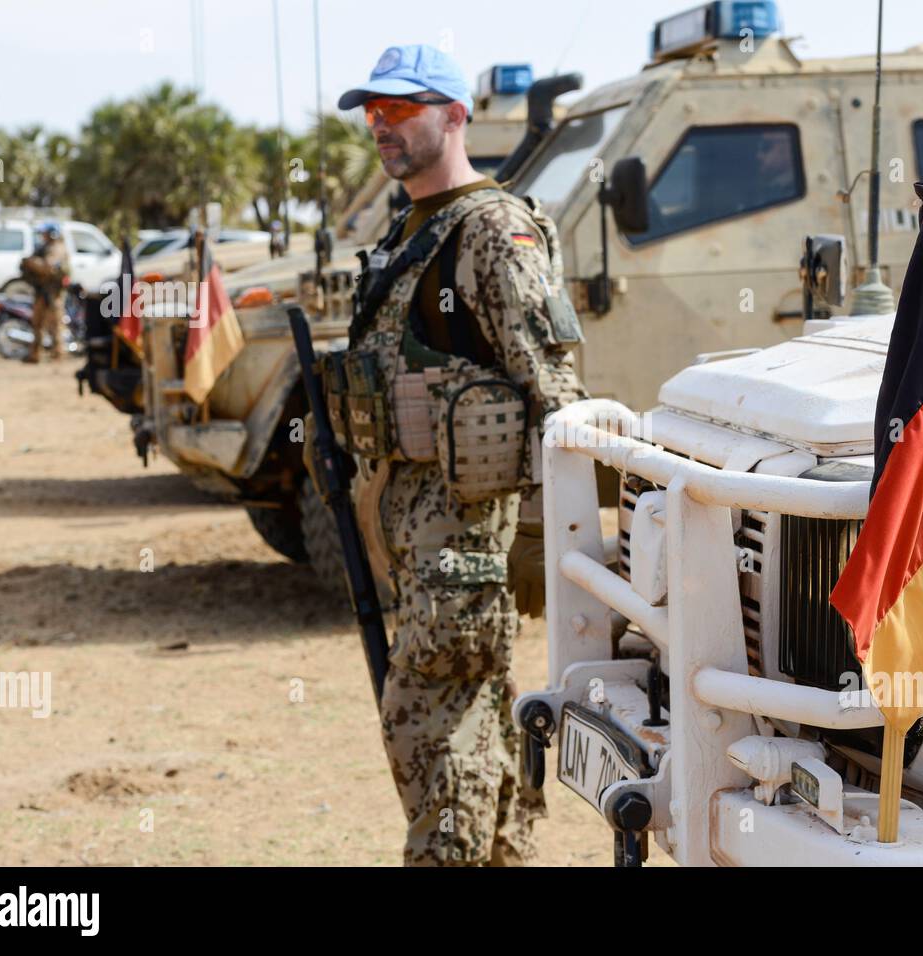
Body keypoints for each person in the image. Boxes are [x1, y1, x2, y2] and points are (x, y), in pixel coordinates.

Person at [334, 44, 586, 866]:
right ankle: (503, 851)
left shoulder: (491, 231)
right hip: (405, 528)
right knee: (468, 715)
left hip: (462, 543)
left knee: (428, 729)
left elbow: (553, 386)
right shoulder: (409, 227)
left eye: (401, 109)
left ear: (454, 115)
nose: (382, 126)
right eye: (373, 112)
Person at [23, 223, 70, 363]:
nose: (42, 236)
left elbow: (47, 267)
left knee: (55, 324)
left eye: (44, 233)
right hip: (41, 292)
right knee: (37, 324)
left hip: (53, 293)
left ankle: (58, 353)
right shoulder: (43, 248)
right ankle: (35, 354)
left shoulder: (57, 248)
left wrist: (32, 263)